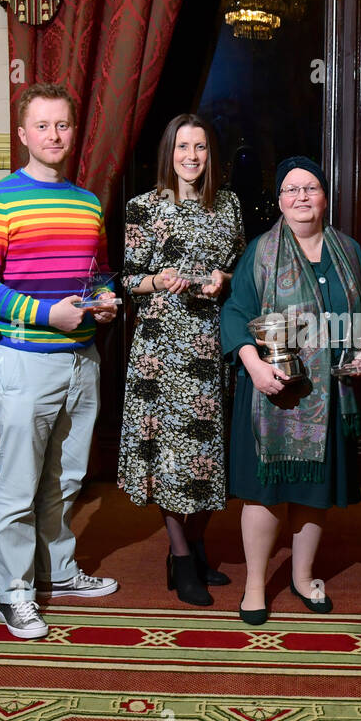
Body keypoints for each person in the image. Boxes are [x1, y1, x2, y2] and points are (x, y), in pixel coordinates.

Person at [0, 82, 121, 641]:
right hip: (25, 360)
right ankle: (14, 592)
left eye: (63, 126)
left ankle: (59, 570)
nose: (54, 136)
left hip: (82, 360)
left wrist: (104, 300)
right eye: (43, 126)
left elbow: (94, 273)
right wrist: (42, 315)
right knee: (18, 484)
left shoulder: (87, 201)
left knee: (69, 476)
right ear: (24, 134)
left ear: (73, 132)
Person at [220, 156, 361, 625]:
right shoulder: (260, 253)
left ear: (325, 196)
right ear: (280, 201)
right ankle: (254, 584)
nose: (301, 197)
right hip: (272, 391)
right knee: (266, 492)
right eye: (291, 190)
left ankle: (304, 576)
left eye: (310, 188)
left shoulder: (347, 250)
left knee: (312, 492)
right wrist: (254, 367)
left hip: (328, 395)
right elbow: (234, 314)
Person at [118, 114, 244, 606]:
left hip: (210, 343)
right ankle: (181, 558)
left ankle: (195, 545)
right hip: (161, 347)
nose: (192, 157)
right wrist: (158, 278)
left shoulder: (228, 205)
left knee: (207, 452)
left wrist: (225, 281)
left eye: (201, 148)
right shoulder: (143, 208)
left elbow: (238, 271)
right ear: (168, 152)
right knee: (170, 455)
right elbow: (126, 280)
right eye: (183, 147)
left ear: (212, 155)